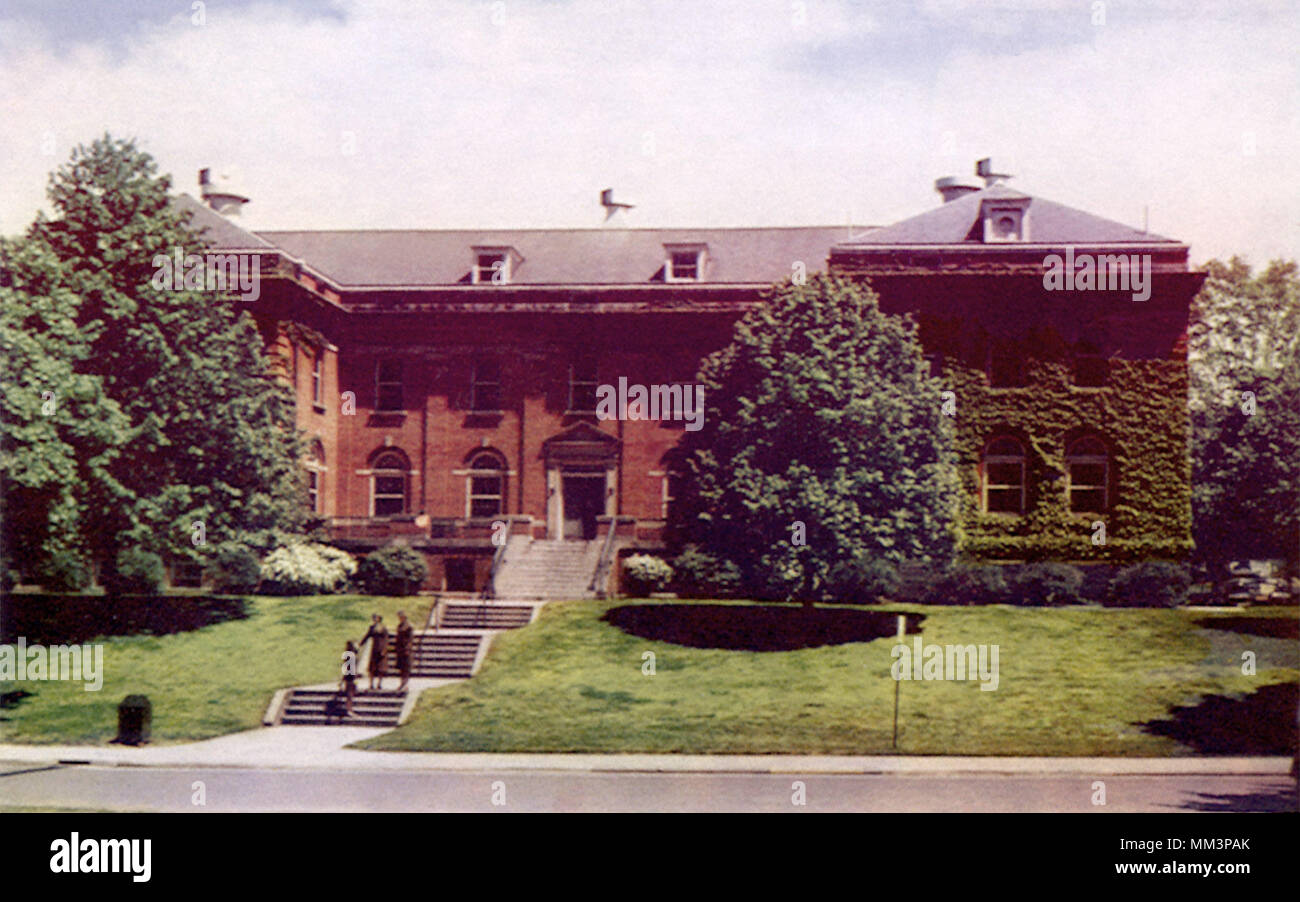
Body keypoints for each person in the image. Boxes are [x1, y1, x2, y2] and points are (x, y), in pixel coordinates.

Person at [357, 613, 390, 690]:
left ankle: (379, 684)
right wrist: (360, 644)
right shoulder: (372, 628)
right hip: (374, 650)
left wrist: (384, 650)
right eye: (373, 618)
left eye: (376, 618)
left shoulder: (383, 628)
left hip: (381, 649)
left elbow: (386, 640)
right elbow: (367, 636)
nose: (374, 619)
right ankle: (371, 684)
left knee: (381, 668)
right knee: (372, 668)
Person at [337, 640, 359, 718]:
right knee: (350, 695)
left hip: (348, 678)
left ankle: (349, 709)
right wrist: (354, 678)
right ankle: (349, 710)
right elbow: (351, 669)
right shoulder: (351, 657)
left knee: (350, 695)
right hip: (351, 678)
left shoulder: (348, 656)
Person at [395, 610, 414, 691]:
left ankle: (405, 684)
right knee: (401, 668)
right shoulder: (400, 625)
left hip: (406, 649)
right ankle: (402, 683)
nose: (399, 618)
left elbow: (410, 639)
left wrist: (408, 649)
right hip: (400, 649)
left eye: (400, 617)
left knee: (406, 668)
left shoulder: (408, 626)